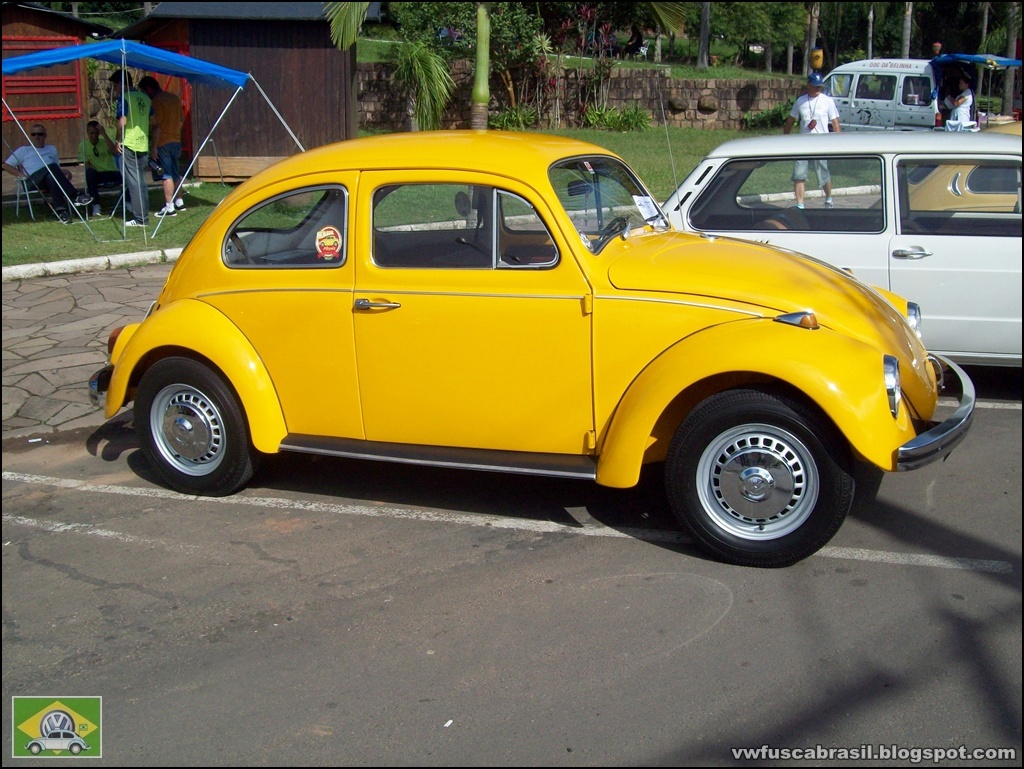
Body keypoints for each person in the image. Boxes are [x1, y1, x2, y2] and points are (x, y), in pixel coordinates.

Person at [3, 123, 92, 222]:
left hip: (47, 180)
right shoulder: (24, 150)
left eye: (40, 134)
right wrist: (21, 175)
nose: (37, 137)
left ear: (45, 136)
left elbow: (56, 169)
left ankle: (60, 212)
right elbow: (6, 165)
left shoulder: (51, 149)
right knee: (51, 167)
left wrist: (62, 171)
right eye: (34, 134)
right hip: (31, 181)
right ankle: (75, 195)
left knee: (51, 177)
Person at [782, 71, 841, 209]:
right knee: (799, 173)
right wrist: (785, 139)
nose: (818, 89)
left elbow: (835, 123)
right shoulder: (801, 101)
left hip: (822, 143)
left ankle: (828, 198)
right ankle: (800, 203)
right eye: (815, 86)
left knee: (823, 171)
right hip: (803, 143)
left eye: (820, 86)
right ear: (808, 85)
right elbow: (790, 121)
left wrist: (837, 142)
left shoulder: (828, 101)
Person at [109, 70, 153, 227]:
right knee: (141, 181)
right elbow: (153, 121)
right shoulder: (145, 97)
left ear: (120, 83)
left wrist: (117, 140)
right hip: (143, 143)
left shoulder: (125, 97)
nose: (115, 88)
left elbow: (122, 121)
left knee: (133, 182)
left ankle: (141, 219)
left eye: (115, 85)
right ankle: (143, 215)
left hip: (129, 143)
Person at [138, 75, 186, 218]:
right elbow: (181, 120)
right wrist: (176, 133)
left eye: (144, 92)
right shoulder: (173, 98)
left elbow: (156, 126)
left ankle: (169, 206)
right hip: (176, 141)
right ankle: (180, 202)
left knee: (166, 175)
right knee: (176, 172)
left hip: (163, 142)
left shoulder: (157, 102)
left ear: (149, 89)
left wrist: (154, 147)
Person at [78, 120, 121, 217]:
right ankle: (96, 205)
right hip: (98, 174)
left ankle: (128, 203)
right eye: (92, 133)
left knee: (128, 175)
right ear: (87, 133)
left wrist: (104, 134)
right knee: (89, 174)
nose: (94, 136)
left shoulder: (105, 141)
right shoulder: (83, 145)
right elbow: (86, 164)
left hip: (111, 172)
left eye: (96, 133)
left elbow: (115, 152)